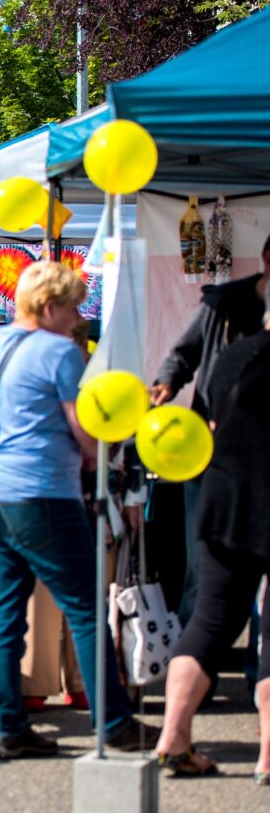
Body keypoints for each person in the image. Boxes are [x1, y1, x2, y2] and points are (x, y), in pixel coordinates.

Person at [0, 259, 155, 758]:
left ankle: (8, 727)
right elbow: (83, 431)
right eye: (73, 307)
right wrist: (105, 451)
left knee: (7, 613)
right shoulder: (60, 353)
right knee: (87, 611)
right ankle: (113, 721)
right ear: (49, 307)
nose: (79, 318)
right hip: (46, 493)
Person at [153, 293, 270, 781]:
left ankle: (172, 738)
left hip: (227, 500)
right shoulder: (227, 322)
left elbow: (218, 419)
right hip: (251, 497)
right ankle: (268, 757)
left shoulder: (234, 356)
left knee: (210, 620)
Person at [148, 231, 269, 625]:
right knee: (204, 561)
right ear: (267, 259)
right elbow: (183, 353)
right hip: (211, 449)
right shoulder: (224, 303)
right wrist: (167, 382)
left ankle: (256, 665)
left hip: (263, 457)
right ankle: (191, 642)